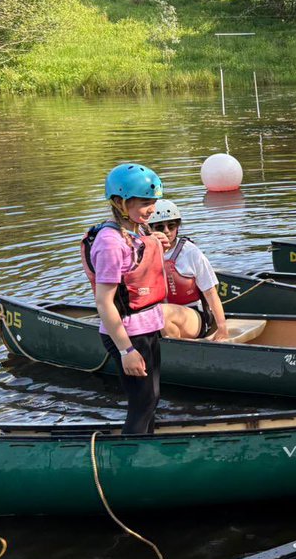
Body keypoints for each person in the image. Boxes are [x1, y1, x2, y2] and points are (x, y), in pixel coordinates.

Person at [80, 163, 168, 435]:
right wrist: (126, 351)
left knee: (152, 399)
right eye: (144, 203)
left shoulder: (137, 230)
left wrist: (157, 243)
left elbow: (139, 269)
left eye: (153, 202)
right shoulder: (110, 242)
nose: (151, 209)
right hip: (127, 334)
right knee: (142, 403)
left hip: (147, 326)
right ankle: (132, 456)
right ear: (120, 202)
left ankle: (147, 448)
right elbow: (104, 301)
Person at [149, 199, 230, 342]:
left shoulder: (191, 252)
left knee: (161, 313)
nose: (166, 231)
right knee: (157, 314)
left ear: (178, 227)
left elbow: (210, 293)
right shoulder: (143, 252)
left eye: (171, 226)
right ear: (150, 229)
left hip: (193, 315)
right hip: (157, 316)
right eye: (160, 227)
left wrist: (222, 327)